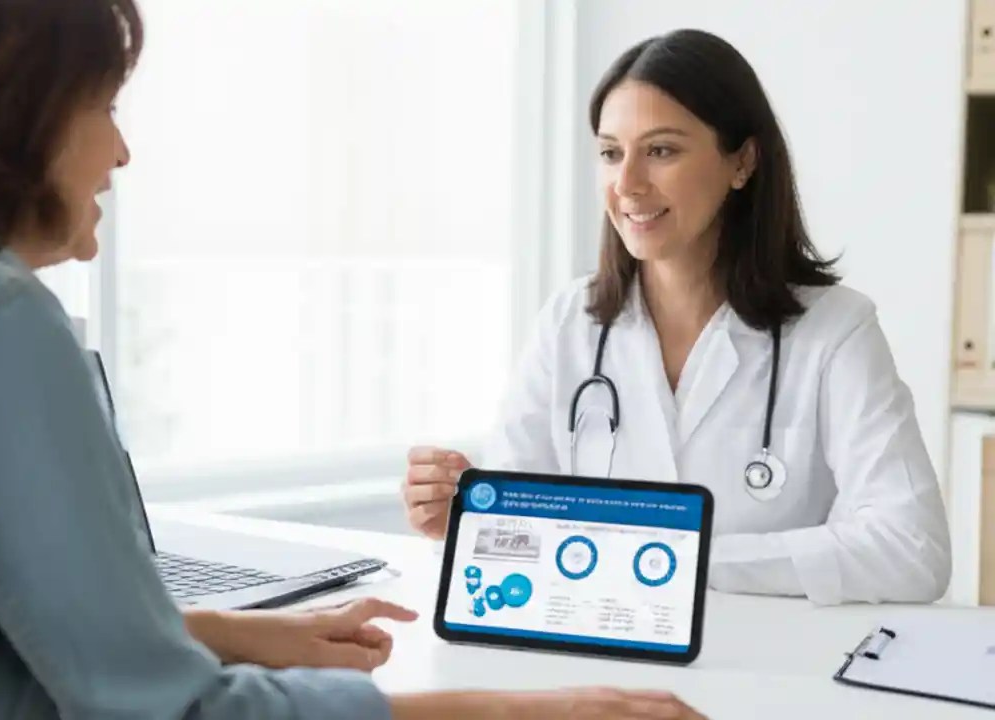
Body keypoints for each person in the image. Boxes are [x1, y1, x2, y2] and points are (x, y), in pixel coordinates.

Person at [0, 1, 706, 718]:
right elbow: (173, 717)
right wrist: (518, 713)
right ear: (11, 111)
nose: (120, 153)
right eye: (102, 105)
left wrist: (219, 633)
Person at [402, 29, 951, 606]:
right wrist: (466, 521)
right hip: (595, 666)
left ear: (742, 161)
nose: (627, 184)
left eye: (661, 150)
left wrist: (675, 554)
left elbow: (913, 550)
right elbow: (521, 537)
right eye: (612, 152)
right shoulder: (569, 324)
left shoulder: (834, 329)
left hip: (766, 673)